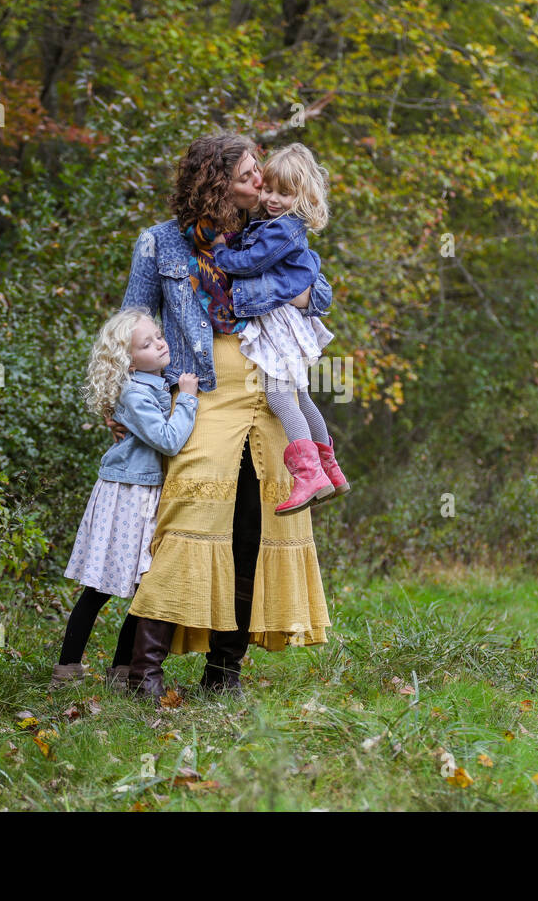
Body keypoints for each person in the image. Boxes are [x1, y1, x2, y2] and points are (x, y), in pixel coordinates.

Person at [111, 132, 334, 699]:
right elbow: (132, 324)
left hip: (271, 383)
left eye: (261, 171)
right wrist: (122, 397)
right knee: (190, 512)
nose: (261, 181)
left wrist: (299, 291)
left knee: (255, 525)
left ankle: (223, 673)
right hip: (205, 389)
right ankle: (143, 671)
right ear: (216, 179)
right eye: (248, 173)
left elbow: (321, 292)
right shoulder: (161, 244)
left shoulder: (270, 228)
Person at [50, 308, 199, 690]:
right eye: (146, 344)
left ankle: (121, 672)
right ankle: (66, 670)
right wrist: (187, 400)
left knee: (145, 586)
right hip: (128, 496)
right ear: (129, 361)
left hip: (147, 493)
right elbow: (167, 439)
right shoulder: (135, 393)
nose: (160, 343)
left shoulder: (152, 382)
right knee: (99, 588)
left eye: (158, 336)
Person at [209, 142, 350, 515]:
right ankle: (330, 470)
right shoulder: (275, 223)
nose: (271, 198)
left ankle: (309, 476)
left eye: (284, 193)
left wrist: (222, 252)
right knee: (302, 397)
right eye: (268, 189)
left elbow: (252, 263)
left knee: (278, 397)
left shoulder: (284, 230)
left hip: (279, 325)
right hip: (284, 321)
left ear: (302, 196)